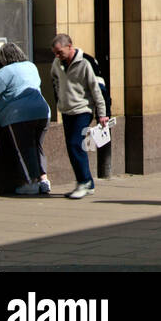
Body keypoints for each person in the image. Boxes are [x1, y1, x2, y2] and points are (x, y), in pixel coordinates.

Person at [0, 41, 51, 197]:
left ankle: (30, 184)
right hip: (42, 112)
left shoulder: (5, 72)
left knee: (24, 149)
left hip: (19, 115)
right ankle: (43, 181)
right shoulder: (31, 66)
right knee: (37, 147)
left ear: (5, 58)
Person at [50, 35, 109, 199]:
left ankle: (83, 183)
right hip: (67, 110)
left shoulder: (85, 63)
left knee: (76, 144)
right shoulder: (57, 64)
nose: (57, 56)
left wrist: (102, 114)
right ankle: (87, 183)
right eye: (55, 53)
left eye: (60, 52)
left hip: (83, 110)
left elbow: (96, 90)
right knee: (72, 147)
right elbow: (54, 80)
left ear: (70, 46)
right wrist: (59, 101)